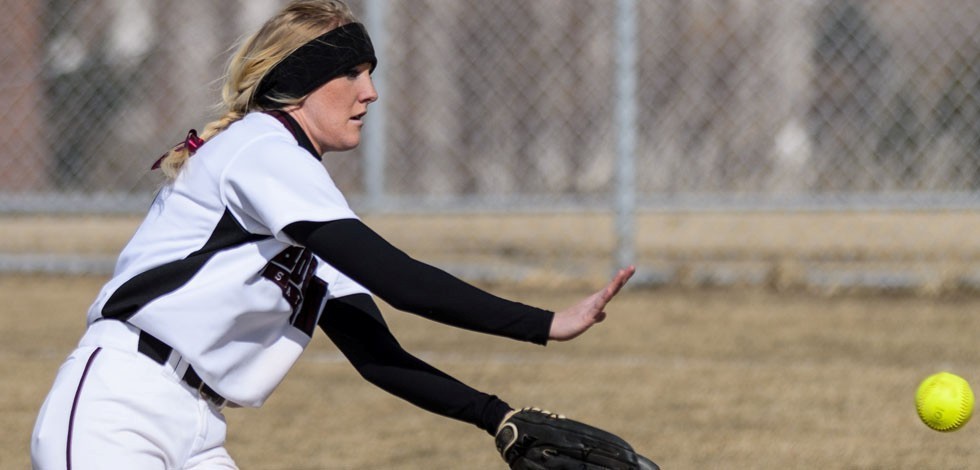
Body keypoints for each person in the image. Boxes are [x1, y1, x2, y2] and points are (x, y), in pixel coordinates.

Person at [30, 1, 636, 468]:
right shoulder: (261, 149)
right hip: (119, 407)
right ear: (302, 81)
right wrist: (543, 323)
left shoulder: (304, 198)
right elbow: (399, 281)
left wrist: (495, 417)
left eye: (371, 72)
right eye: (351, 72)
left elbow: (377, 355)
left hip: (195, 424)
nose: (370, 91)